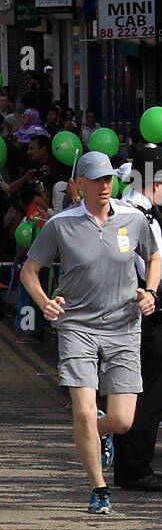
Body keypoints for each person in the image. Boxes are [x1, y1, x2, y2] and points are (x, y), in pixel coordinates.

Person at [20, 151, 161, 515]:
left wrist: (152, 292)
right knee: (83, 411)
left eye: (109, 179)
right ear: (78, 184)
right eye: (96, 180)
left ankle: (101, 432)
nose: (104, 186)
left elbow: (155, 256)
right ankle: (99, 489)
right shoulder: (61, 224)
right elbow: (29, 270)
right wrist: (44, 302)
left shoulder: (133, 219)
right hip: (78, 327)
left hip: (124, 328)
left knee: (124, 420)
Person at [113, 153, 162, 491]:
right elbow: (148, 264)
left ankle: (130, 464)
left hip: (125, 309)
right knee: (148, 392)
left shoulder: (121, 208)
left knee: (132, 389)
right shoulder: (141, 216)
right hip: (145, 309)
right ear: (156, 183)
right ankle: (135, 467)